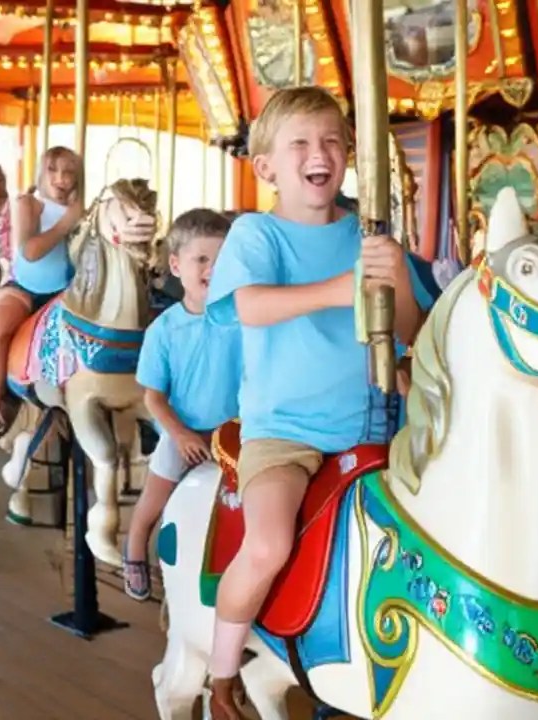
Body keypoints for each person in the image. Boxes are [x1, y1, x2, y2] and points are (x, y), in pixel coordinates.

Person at [202, 86, 435, 719]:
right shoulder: (258, 233)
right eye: (301, 142)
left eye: (333, 140)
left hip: (378, 428)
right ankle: (221, 677)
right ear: (268, 166)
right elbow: (247, 306)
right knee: (270, 544)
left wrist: (392, 280)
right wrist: (341, 288)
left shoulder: (371, 234)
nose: (320, 153)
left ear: (350, 154)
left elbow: (416, 331)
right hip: (286, 433)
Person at [123, 209, 241, 600]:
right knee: (160, 483)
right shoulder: (165, 329)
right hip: (183, 430)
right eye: (201, 259)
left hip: (235, 431)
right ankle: (136, 545)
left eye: (221, 259)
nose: (212, 268)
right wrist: (179, 432)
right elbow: (153, 395)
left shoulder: (243, 317)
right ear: (176, 265)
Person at [0, 146, 83, 428]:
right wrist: (66, 223)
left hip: (66, 293)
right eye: (53, 170)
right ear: (40, 174)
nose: (61, 178)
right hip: (26, 288)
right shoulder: (29, 204)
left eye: (69, 172)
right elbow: (29, 252)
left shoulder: (82, 210)